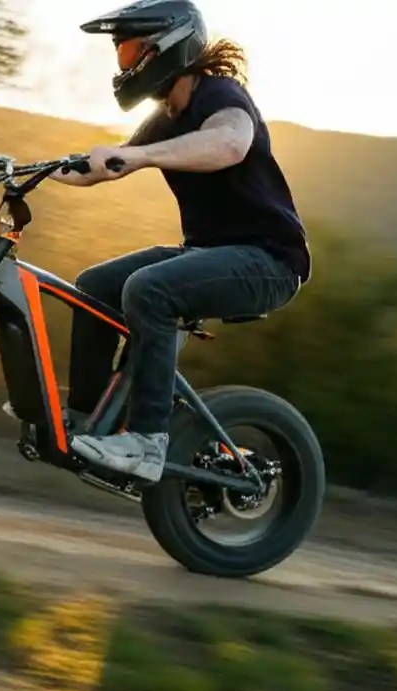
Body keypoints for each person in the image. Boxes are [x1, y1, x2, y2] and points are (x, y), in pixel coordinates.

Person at [47, 0, 310, 484]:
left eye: (129, 52)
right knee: (94, 286)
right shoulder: (166, 119)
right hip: (212, 254)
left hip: (269, 260)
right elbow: (103, 166)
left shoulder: (221, 94)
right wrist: (31, 170)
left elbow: (230, 143)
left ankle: (146, 441)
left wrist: (143, 156)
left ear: (166, 48)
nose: (123, 64)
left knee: (149, 290)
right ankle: (86, 418)